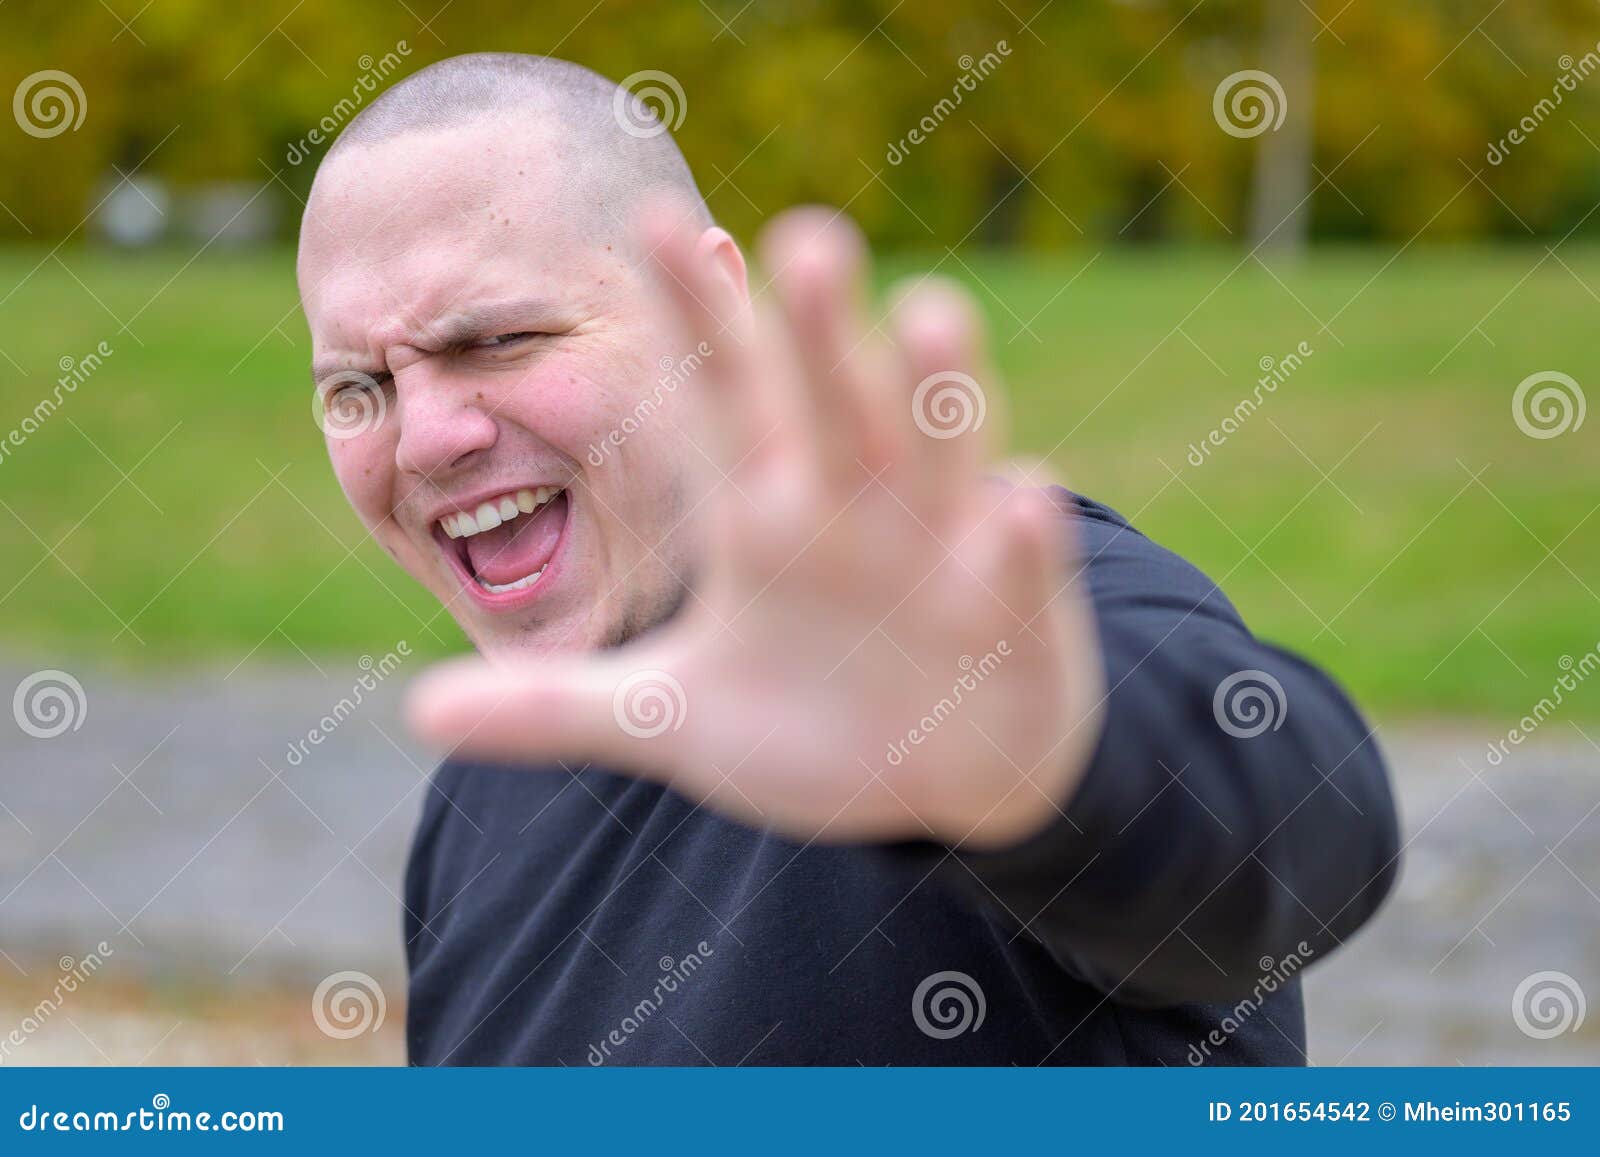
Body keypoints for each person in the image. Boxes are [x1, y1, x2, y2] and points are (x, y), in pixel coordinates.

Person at [295, 53, 1400, 1065]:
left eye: (497, 340)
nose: (428, 437)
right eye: (360, 388)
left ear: (707, 303)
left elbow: (1300, 837)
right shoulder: (489, 784)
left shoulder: (963, 619)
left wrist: (1038, 770)